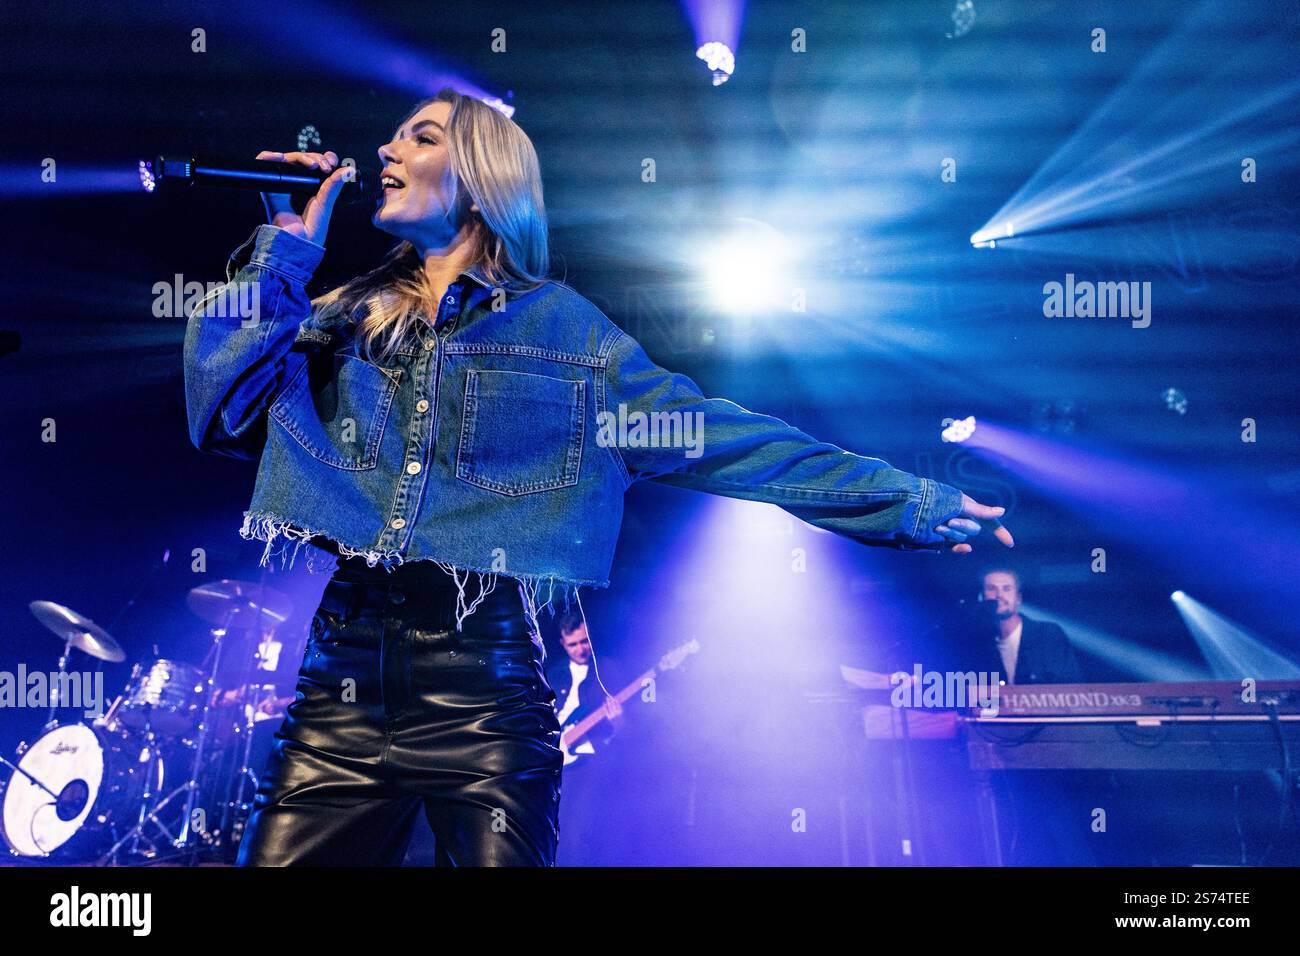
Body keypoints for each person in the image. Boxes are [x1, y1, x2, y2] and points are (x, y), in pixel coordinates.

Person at [183, 87, 1013, 866]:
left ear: (481, 180)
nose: (386, 148)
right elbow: (218, 414)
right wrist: (283, 253)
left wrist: (910, 498)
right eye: (396, 135)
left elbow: (727, 440)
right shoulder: (347, 314)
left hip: (484, 700)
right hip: (341, 693)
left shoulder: (569, 337)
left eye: (420, 136)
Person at [976, 568, 1083, 685]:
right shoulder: (977, 642)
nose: (999, 595)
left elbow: (1071, 687)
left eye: (1007, 589)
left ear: (1018, 598)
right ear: (982, 597)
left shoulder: (1047, 634)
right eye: (992, 589)